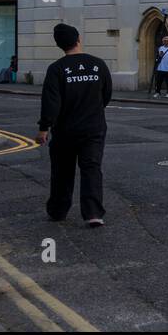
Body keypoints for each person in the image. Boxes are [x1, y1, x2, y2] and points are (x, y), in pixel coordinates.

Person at [37, 23, 112, 227]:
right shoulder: (98, 65)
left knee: (62, 170)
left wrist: (44, 128)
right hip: (94, 127)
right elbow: (106, 95)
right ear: (78, 39)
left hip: (65, 130)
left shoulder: (57, 69)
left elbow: (51, 102)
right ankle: (93, 213)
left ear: (59, 45)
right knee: (92, 168)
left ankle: (59, 210)